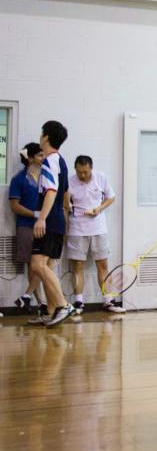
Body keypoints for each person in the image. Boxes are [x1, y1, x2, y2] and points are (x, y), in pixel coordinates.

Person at [29, 121, 75, 327]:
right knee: (46, 266)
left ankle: (63, 305)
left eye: (42, 133)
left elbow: (51, 191)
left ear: (46, 137)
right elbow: (64, 193)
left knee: (37, 264)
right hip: (56, 220)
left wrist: (41, 219)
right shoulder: (61, 161)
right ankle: (50, 311)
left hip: (49, 220)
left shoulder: (50, 161)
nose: (40, 136)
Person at [65, 155, 122, 314]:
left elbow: (111, 197)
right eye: (79, 172)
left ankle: (108, 301)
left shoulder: (101, 177)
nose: (82, 175)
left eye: (85, 172)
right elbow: (65, 206)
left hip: (98, 228)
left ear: (91, 168)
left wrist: (99, 208)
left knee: (103, 265)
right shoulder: (69, 182)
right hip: (77, 229)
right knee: (78, 266)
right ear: (75, 169)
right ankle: (78, 302)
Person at [8, 143, 46, 315]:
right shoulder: (18, 179)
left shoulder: (46, 177)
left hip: (44, 227)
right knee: (33, 267)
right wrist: (35, 214)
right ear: (30, 158)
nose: (43, 158)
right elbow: (14, 206)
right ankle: (40, 303)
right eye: (40, 155)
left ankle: (28, 297)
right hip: (25, 227)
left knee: (42, 264)